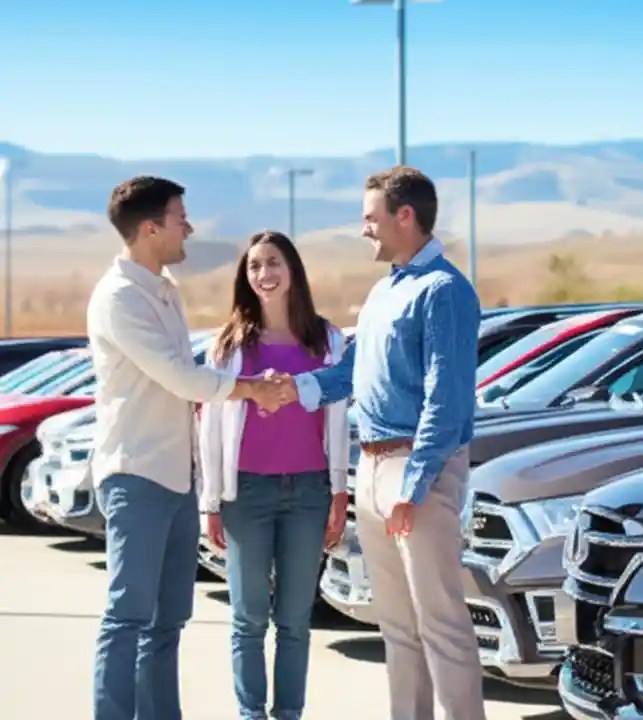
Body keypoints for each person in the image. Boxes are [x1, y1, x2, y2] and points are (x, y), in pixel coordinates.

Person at [265, 166, 486, 720]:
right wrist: (296, 389)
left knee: (442, 624)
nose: (364, 229)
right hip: (372, 466)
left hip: (418, 469)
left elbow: (447, 401)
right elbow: (354, 373)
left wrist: (414, 485)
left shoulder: (445, 292)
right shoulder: (386, 289)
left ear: (404, 216)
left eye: (371, 218)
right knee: (398, 626)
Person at [86, 176, 291, 720]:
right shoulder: (119, 298)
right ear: (151, 229)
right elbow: (178, 377)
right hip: (137, 476)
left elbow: (192, 376)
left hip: (177, 480)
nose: (189, 227)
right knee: (127, 616)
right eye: (180, 218)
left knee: (167, 620)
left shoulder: (164, 288)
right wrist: (249, 389)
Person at [196, 231, 351, 720]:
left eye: (274, 263)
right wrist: (211, 502)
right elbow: (210, 427)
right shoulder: (229, 345)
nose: (264, 274)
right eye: (255, 266)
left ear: (293, 271)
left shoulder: (328, 340)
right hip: (247, 494)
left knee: (294, 621)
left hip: (309, 492)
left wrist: (339, 491)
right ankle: (250, 714)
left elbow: (339, 418)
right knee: (247, 618)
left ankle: (289, 714)